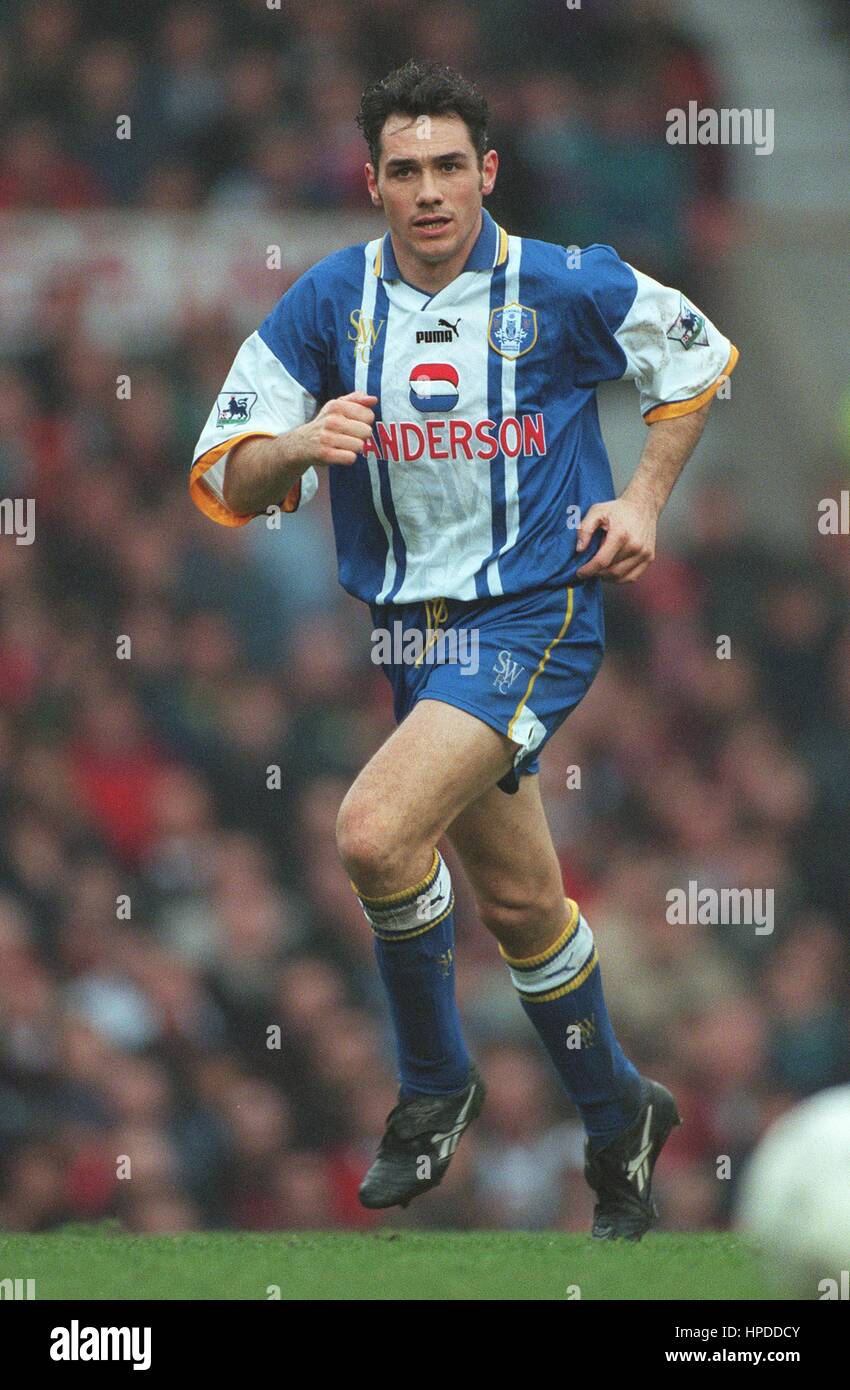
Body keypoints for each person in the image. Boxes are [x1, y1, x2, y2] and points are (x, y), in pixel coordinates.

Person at [190, 60, 739, 1239]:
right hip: (409, 638)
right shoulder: (328, 305)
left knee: (374, 832)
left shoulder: (564, 282)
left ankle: (434, 1085)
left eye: (451, 165)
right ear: (373, 183)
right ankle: (618, 1111)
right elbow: (226, 473)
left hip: (535, 613)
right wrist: (297, 448)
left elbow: (693, 361)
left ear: (486, 172)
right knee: (524, 903)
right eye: (405, 170)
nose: (430, 189)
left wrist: (643, 498)